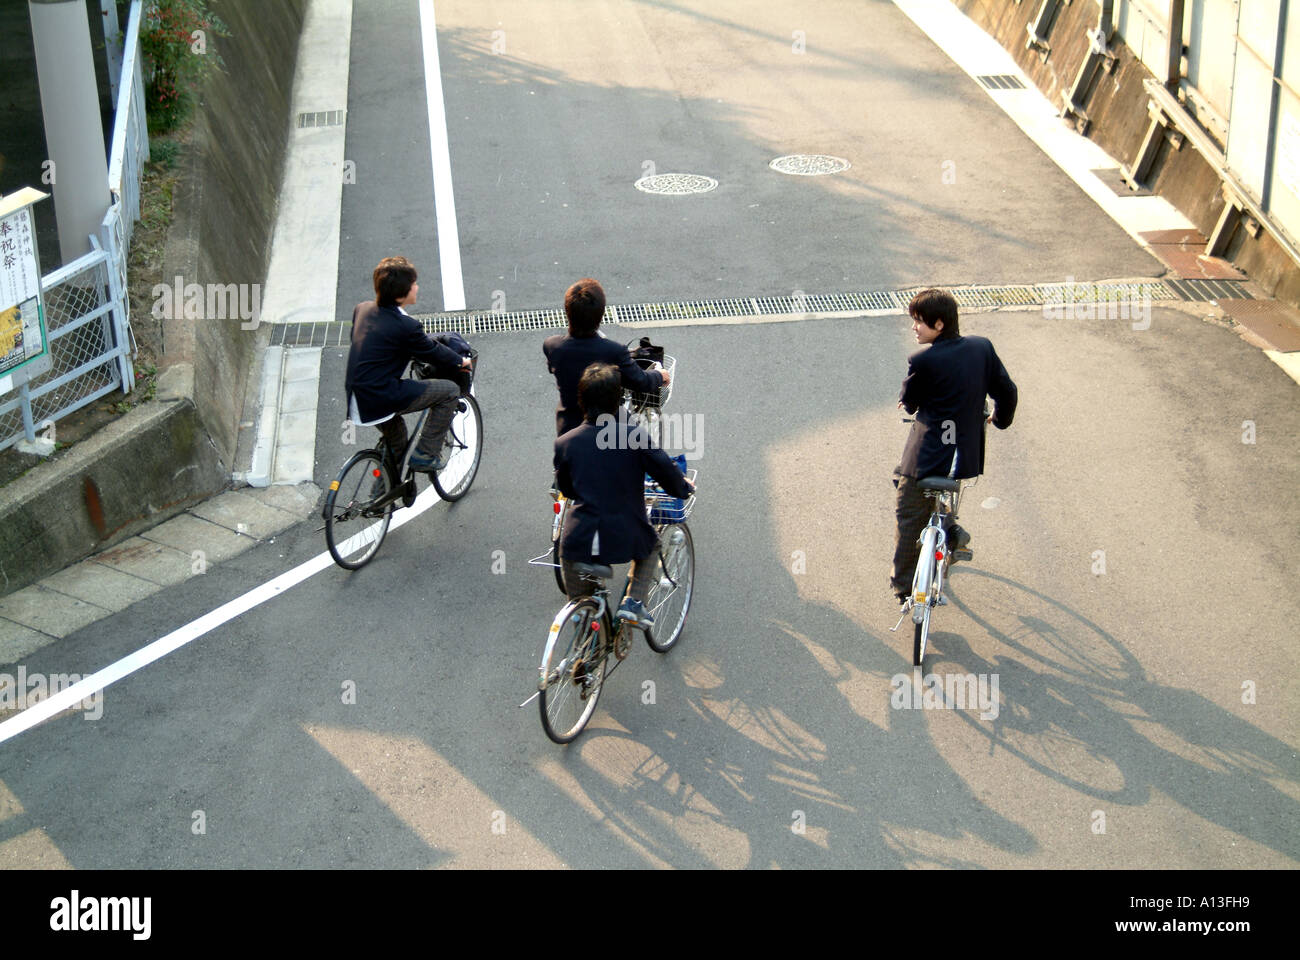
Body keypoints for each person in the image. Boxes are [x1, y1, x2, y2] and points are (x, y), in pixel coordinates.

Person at [891, 289, 1017, 603]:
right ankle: (950, 530)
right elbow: (1008, 392)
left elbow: (910, 401)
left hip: (927, 457)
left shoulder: (923, 360)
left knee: (908, 513)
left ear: (939, 324)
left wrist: (907, 405)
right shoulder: (981, 348)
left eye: (919, 322)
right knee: (942, 491)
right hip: (965, 458)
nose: (914, 327)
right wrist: (998, 420)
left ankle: (904, 588)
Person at [555, 363, 694, 627]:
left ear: (581, 400)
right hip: (622, 536)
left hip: (576, 540)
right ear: (617, 402)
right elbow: (664, 469)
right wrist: (683, 487)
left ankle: (582, 641)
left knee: (581, 612)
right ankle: (634, 603)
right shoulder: (633, 436)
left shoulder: (565, 442)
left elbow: (567, 488)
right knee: (651, 545)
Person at [345, 256, 471, 474]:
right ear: (402, 293)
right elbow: (432, 352)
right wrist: (460, 361)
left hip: (357, 398)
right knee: (449, 391)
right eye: (413, 284)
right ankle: (426, 454)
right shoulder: (406, 326)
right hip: (380, 396)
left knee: (397, 442)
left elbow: (376, 343)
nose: (417, 287)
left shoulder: (362, 309)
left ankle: (381, 499)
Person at [543, 278, 670, 437]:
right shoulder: (614, 351)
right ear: (601, 314)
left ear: (568, 312)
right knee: (640, 444)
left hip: (569, 428)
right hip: (608, 430)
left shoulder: (552, 346)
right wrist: (660, 375)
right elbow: (640, 381)